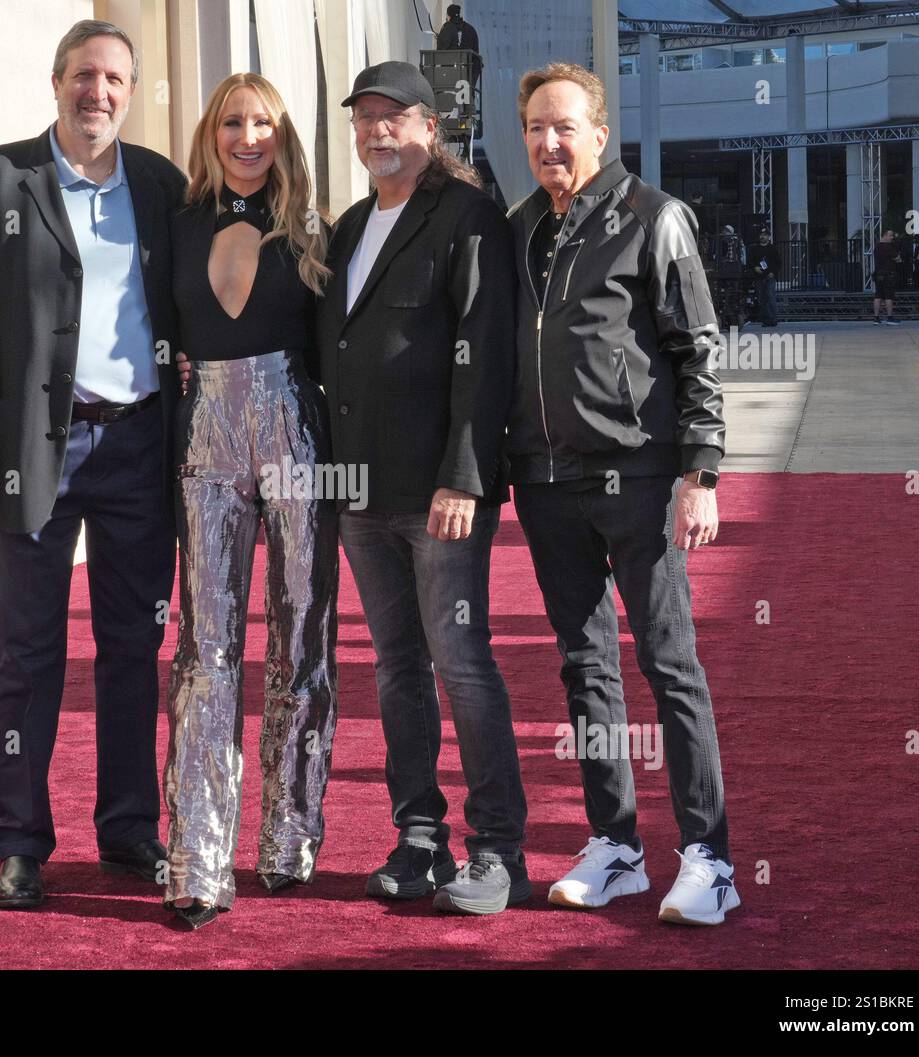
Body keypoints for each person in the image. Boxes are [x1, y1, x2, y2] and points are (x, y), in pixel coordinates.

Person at [0, 20, 185, 910]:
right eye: (84, 75)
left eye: (115, 78)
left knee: (133, 648)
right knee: (27, 654)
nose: (99, 92)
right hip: (29, 455)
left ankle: (128, 830)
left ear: (131, 90)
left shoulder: (160, 185)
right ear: (55, 81)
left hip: (140, 448)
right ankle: (21, 843)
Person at [507, 62, 738, 925]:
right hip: (548, 484)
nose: (548, 142)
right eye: (534, 127)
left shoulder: (654, 218)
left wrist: (700, 475)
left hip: (639, 481)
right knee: (585, 671)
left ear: (601, 132)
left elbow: (697, 352)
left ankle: (710, 859)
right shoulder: (520, 228)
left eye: (564, 126)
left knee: (669, 667)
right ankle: (617, 847)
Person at [316, 62, 527, 916]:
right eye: (364, 119)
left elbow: (487, 355)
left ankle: (499, 848)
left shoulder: (468, 216)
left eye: (393, 117)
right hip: (359, 493)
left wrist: (465, 477)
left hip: (440, 494)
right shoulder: (350, 226)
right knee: (397, 668)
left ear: (428, 129)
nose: (376, 131)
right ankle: (419, 839)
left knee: (461, 663)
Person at [161, 73, 338, 931]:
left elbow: (345, 353)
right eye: (232, 121)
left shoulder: (313, 230)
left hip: (297, 430)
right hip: (205, 435)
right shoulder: (178, 225)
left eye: (261, 121)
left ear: (282, 132)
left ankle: (290, 837)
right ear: (211, 133)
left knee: (302, 631)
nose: (246, 136)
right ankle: (197, 859)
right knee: (206, 647)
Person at [746, 227, 779, 327]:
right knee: (761, 298)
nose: (762, 237)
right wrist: (755, 267)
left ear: (769, 237)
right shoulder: (754, 249)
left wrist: (773, 272)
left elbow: (778, 262)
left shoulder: (773, 248)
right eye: (761, 235)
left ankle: (773, 319)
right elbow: (750, 261)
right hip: (759, 276)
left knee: (770, 296)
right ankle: (766, 320)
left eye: (765, 235)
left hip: (770, 276)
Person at [873, 229, 901, 325]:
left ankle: (876, 318)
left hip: (878, 273)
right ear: (885, 235)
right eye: (890, 235)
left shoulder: (876, 247)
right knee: (889, 296)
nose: (892, 237)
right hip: (888, 273)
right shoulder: (888, 247)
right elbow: (897, 258)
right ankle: (889, 317)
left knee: (878, 295)